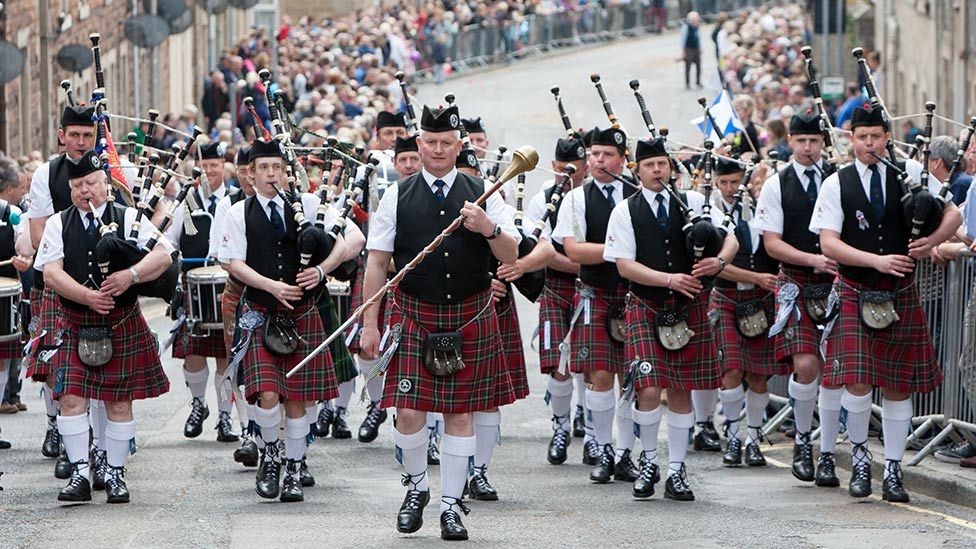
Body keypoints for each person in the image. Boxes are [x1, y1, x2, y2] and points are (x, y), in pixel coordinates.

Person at [359, 105, 519, 540]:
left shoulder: (486, 191)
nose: (437, 150)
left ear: (459, 145)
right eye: (430, 142)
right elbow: (377, 263)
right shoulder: (396, 194)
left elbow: (511, 255)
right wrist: (370, 323)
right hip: (414, 311)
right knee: (408, 412)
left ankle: (451, 505)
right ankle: (416, 487)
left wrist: (487, 227)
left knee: (460, 413)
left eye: (446, 143)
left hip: (469, 312)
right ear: (420, 142)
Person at [810, 105, 961, 502]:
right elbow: (828, 243)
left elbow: (954, 213)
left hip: (900, 294)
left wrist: (931, 242)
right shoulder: (836, 183)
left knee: (898, 384)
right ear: (851, 139)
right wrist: (876, 260)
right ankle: (861, 459)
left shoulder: (908, 174)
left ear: (886, 138)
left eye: (876, 136)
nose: (869, 143)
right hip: (855, 287)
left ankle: (893, 469)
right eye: (862, 137)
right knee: (858, 384)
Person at [219, 138, 362, 503]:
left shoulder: (309, 204)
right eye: (263, 168)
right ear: (250, 173)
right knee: (267, 393)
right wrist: (272, 286)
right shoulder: (238, 213)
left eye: (277, 168)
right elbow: (232, 262)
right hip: (260, 310)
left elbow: (347, 242)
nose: (271, 174)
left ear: (285, 172)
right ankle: (270, 455)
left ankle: (295, 468)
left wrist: (321, 270)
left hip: (302, 314)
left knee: (297, 398)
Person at [36, 150, 174, 503]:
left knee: (119, 403)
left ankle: (114, 473)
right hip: (77, 320)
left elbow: (163, 254)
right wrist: (86, 296)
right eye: (79, 185)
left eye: (92, 184)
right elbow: (51, 272)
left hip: (121, 319)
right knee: (70, 399)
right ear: (70, 188)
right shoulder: (58, 223)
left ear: (105, 185)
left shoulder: (128, 217)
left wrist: (132, 275)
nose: (86, 191)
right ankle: (81, 473)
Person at [603, 137, 736, 500]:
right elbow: (623, 264)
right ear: (638, 170)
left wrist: (719, 261)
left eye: (662, 163)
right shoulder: (625, 210)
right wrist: (668, 279)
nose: (657, 170)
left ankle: (677, 471)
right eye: (650, 165)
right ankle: (648, 462)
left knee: (681, 390)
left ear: (672, 168)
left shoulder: (694, 202)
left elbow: (733, 237)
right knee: (646, 389)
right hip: (647, 305)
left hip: (688, 308)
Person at [753, 113, 843, 488]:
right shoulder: (777, 184)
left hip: (839, 283)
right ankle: (803, 439)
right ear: (790, 141)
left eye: (814, 141)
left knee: (836, 372)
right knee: (806, 364)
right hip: (798, 282)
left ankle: (826, 453)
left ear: (823, 143)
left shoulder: (839, 181)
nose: (808, 148)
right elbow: (772, 243)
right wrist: (814, 258)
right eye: (801, 141)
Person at [551, 127, 642, 484]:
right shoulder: (576, 199)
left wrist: (613, 254)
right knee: (601, 375)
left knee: (632, 380)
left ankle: (625, 453)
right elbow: (573, 250)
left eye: (607, 155)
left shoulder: (638, 194)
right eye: (594, 154)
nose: (599, 161)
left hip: (635, 296)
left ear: (622, 159)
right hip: (597, 293)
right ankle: (603, 449)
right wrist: (625, 253)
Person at [25, 105, 97, 478]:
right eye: (75, 134)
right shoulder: (46, 173)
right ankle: (60, 427)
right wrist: (68, 263)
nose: (81, 142)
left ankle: (96, 443)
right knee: (57, 363)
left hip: (101, 282)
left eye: (87, 135)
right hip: (58, 278)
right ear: (61, 135)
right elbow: (38, 232)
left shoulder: (111, 170)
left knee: (102, 362)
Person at [708, 157, 781, 468]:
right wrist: (755, 278)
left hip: (760, 299)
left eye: (734, 181)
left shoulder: (759, 209)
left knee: (758, 373)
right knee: (732, 371)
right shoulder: (707, 212)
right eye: (723, 182)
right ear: (714, 181)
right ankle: (733, 436)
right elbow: (715, 266)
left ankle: (753, 438)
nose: (729, 188)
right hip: (726, 297)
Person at [166, 141, 238, 443]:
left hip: (226, 284)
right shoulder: (188, 201)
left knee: (224, 356)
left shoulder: (235, 200)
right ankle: (198, 405)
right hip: (193, 288)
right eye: (205, 166)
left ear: (224, 165)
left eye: (214, 165)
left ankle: (225, 417)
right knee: (193, 355)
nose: (209, 171)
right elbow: (169, 240)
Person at [522, 138, 588, 465]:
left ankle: (591, 431)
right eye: (563, 170)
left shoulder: (596, 198)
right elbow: (540, 251)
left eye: (574, 170)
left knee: (591, 363)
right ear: (553, 165)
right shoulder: (543, 199)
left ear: (587, 166)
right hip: (558, 286)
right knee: (559, 364)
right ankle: (560, 426)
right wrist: (582, 264)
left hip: (597, 287)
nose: (568, 176)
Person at [213, 145, 259, 467]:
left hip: (275, 294)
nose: (245, 175)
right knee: (239, 363)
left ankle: (276, 435)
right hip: (239, 292)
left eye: (250, 169)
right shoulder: (228, 206)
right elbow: (223, 256)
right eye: (241, 170)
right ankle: (248, 431)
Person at [0, 155, 30, 448]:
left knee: (1, 359)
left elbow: (25, 241)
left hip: (5, 293)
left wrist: (25, 258)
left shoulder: (11, 213)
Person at [927, 135, 971, 206]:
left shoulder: (961, 184)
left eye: (924, 161)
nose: (922, 166)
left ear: (937, 163)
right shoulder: (956, 181)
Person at [679, 11, 702, 90]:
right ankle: (687, 83)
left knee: (698, 66)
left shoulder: (696, 26)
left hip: (695, 48)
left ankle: (698, 81)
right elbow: (683, 39)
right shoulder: (686, 27)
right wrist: (683, 51)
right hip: (688, 48)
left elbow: (698, 38)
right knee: (688, 67)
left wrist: (699, 48)